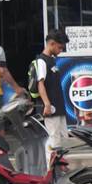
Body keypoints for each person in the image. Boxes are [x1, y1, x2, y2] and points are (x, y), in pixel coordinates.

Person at [28, 28, 70, 160]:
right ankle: (50, 170)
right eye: (60, 47)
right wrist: (46, 104)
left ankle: (59, 166)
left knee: (62, 138)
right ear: (51, 43)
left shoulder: (52, 60)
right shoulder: (41, 61)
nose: (61, 50)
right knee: (53, 139)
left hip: (58, 107)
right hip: (51, 108)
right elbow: (41, 83)